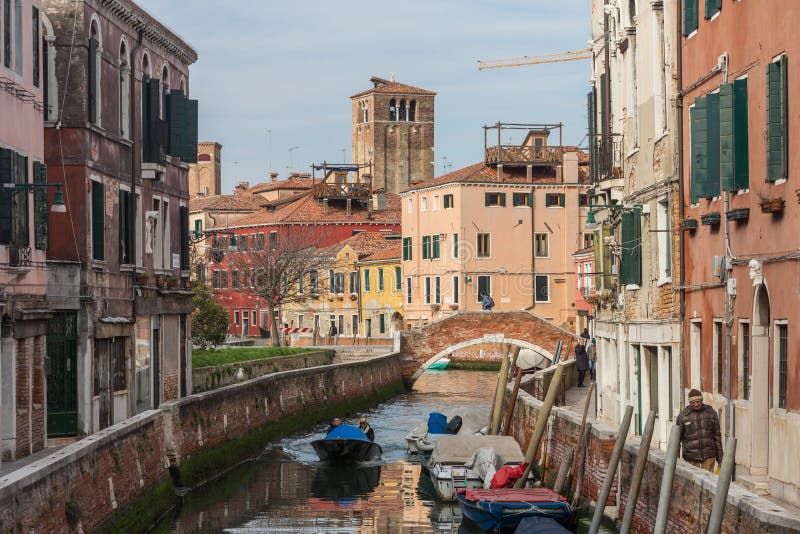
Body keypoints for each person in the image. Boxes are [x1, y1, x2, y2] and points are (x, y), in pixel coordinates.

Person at [676, 389, 723, 473]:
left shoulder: (711, 413)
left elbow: (717, 436)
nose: (696, 404)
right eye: (693, 402)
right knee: (693, 483)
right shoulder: (683, 416)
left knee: (708, 481)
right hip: (691, 456)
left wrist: (720, 459)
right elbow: (676, 440)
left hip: (709, 455)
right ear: (690, 403)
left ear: (702, 400)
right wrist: (676, 460)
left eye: (698, 401)